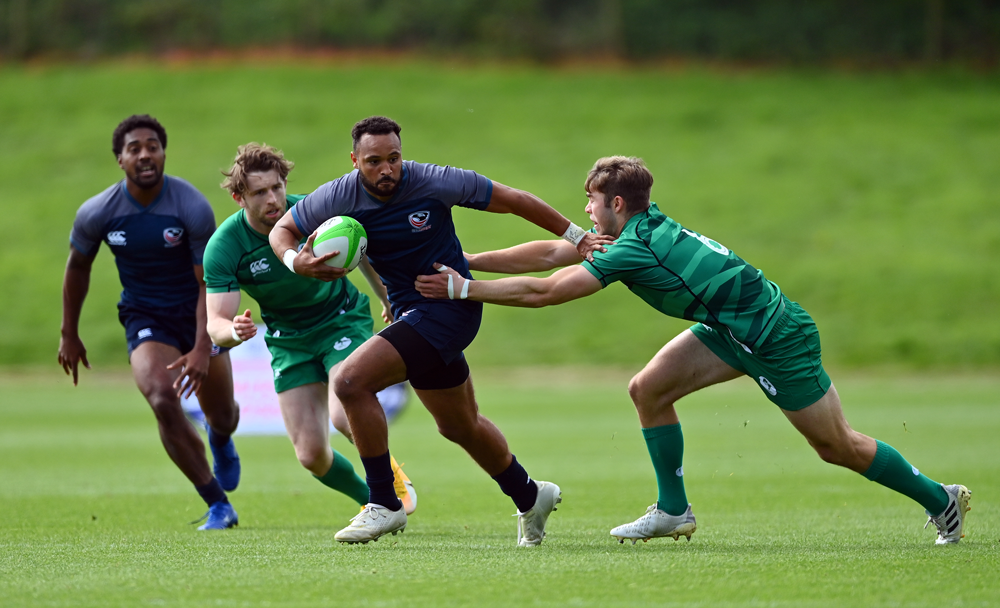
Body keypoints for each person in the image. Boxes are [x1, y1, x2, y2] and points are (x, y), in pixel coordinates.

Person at [415, 155, 971, 546]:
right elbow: (548, 255)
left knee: (837, 446)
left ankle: (940, 499)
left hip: (776, 336)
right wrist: (468, 261)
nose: (583, 214)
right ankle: (673, 511)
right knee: (648, 389)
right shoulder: (638, 224)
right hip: (730, 328)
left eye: (588, 203)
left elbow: (549, 291)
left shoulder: (636, 247)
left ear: (613, 202)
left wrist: (462, 290)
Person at [268, 116, 612, 545]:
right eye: (374, 161)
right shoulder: (339, 195)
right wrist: (294, 261)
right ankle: (530, 495)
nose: (386, 169)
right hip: (413, 313)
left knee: (352, 381)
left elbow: (514, 199)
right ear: (356, 160)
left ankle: (384, 503)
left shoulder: (435, 181)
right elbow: (284, 230)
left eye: (393, 158)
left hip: (451, 307)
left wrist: (577, 236)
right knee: (459, 425)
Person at [204, 143, 416, 517]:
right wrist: (234, 331)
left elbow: (360, 249)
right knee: (311, 455)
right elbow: (215, 325)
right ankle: (373, 498)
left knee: (342, 412)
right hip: (289, 339)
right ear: (239, 197)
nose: (273, 199)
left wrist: (388, 298)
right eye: (259, 192)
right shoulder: (224, 247)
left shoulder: (313, 213)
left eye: (277, 187)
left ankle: (390, 487)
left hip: (341, 319)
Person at [59, 114, 241, 531]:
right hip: (145, 317)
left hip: (198, 313)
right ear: (119, 160)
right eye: (134, 148)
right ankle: (217, 502)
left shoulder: (190, 206)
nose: (145, 154)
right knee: (162, 399)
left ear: (163, 153)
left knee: (223, 415)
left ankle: (221, 439)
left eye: (152, 146)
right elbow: (77, 269)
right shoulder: (98, 212)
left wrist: (201, 347)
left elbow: (207, 284)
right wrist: (69, 332)